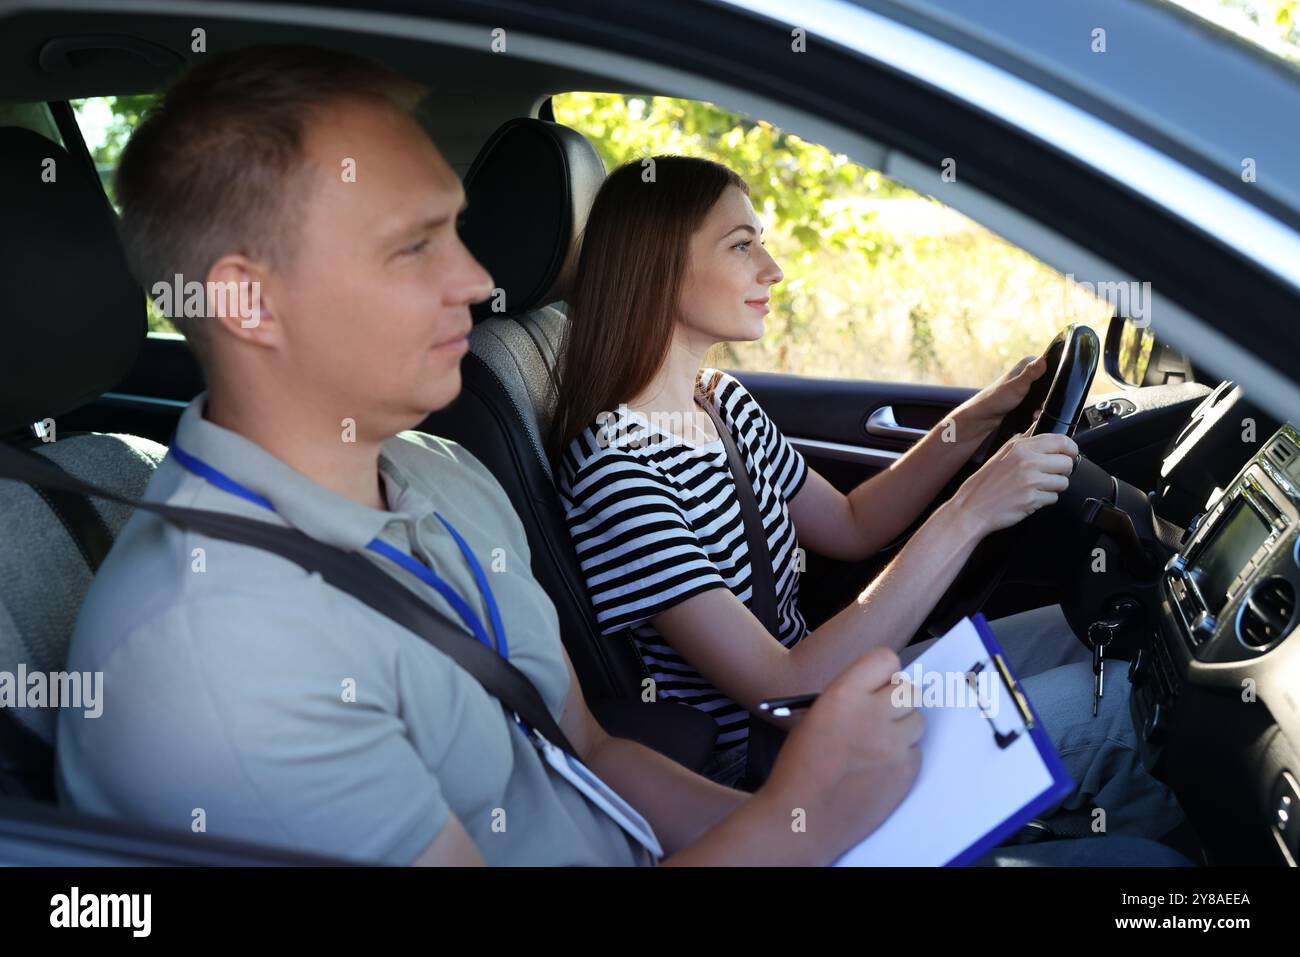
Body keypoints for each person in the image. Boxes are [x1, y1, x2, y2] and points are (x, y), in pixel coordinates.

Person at [57, 45, 1182, 867]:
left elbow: (587, 747)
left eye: (457, 229)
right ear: (248, 299)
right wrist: (808, 820)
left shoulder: (442, 479)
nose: (472, 280)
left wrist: (814, 822)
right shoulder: (220, 665)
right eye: (414, 245)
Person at [551, 156, 1183, 841]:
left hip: (837, 701)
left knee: (1091, 630)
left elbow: (851, 524)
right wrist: (970, 509)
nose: (772, 268)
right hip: (783, 770)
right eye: (741, 245)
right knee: (1120, 705)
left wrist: (976, 416)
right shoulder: (618, 471)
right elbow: (786, 687)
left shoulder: (719, 401)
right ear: (658, 267)